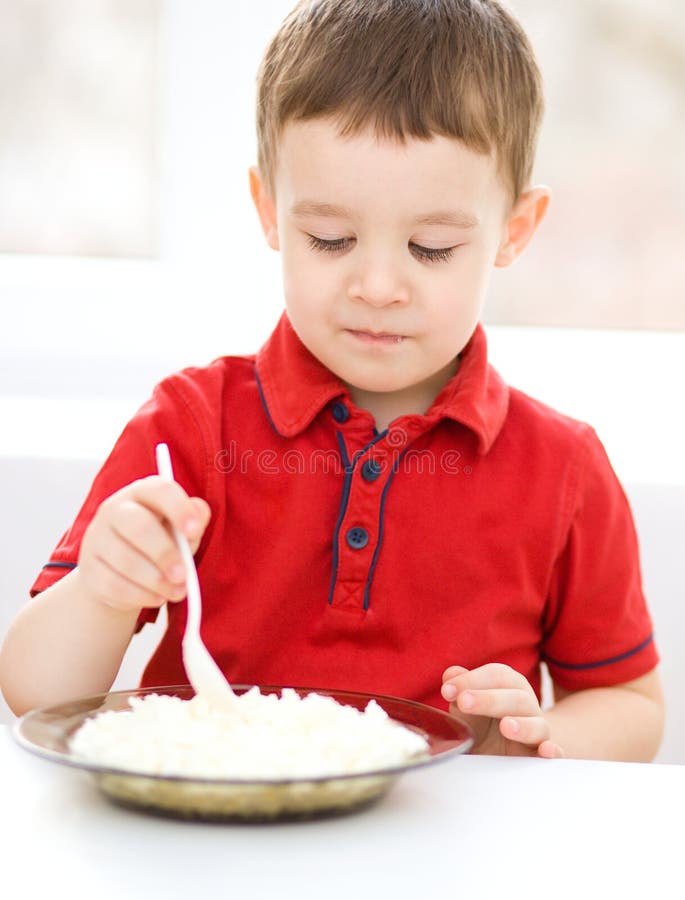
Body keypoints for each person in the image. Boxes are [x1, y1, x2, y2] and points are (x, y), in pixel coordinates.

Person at [0, 0, 663, 760]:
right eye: (331, 239)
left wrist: (538, 741)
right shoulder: (189, 426)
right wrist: (100, 591)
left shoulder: (563, 469)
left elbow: (628, 704)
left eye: (430, 247)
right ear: (269, 211)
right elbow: (34, 692)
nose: (377, 285)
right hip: (206, 848)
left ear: (513, 232)